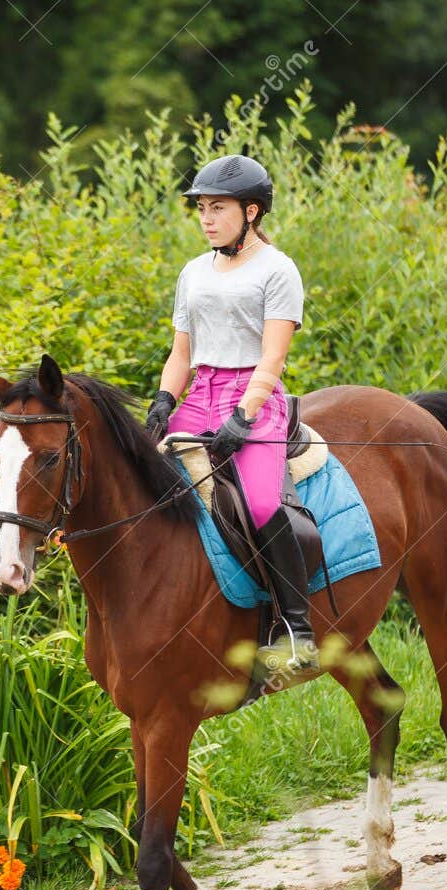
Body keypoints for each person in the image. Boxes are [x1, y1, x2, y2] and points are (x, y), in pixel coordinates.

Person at [143, 154, 318, 673]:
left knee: (262, 503)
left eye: (217, 208)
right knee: (145, 479)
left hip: (255, 397)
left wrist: (243, 417)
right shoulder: (194, 271)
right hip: (200, 390)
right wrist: (163, 402)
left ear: (252, 211)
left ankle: (296, 630)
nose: (206, 218)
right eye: (201, 208)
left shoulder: (278, 269)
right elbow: (181, 351)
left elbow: (273, 356)